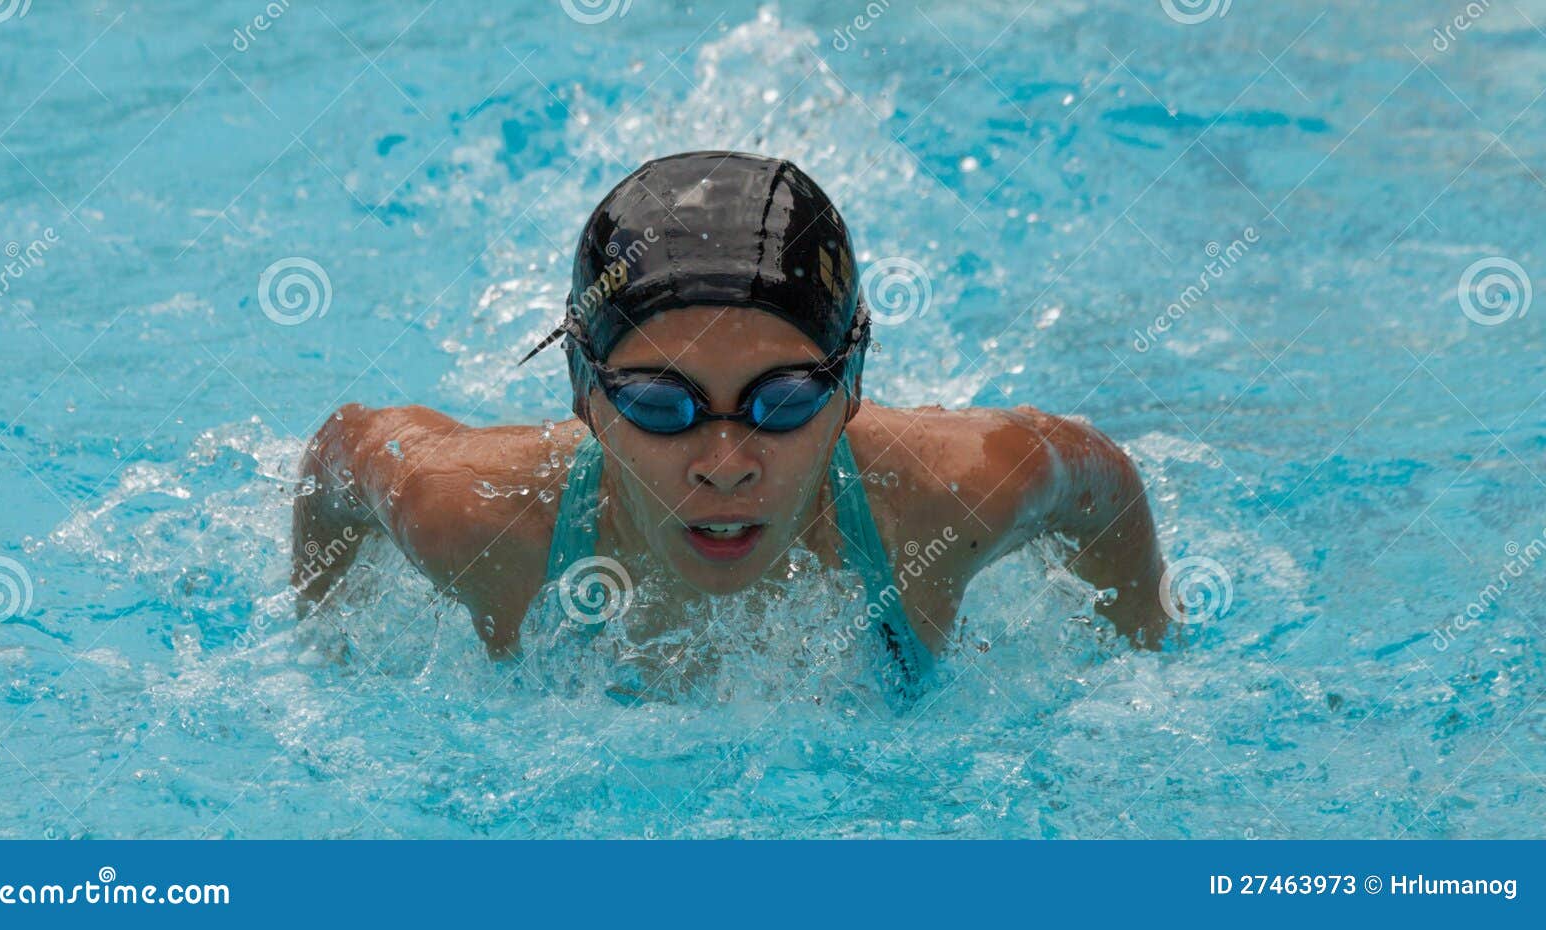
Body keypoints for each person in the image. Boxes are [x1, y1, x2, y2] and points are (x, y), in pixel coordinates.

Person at [292, 150, 1168, 698]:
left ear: (851, 386)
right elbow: (343, 454)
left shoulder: (952, 496)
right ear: (583, 393)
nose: (725, 464)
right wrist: (321, 646)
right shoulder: (475, 520)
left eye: (783, 402)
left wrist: (1145, 661)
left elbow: (1102, 484)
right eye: (658, 404)